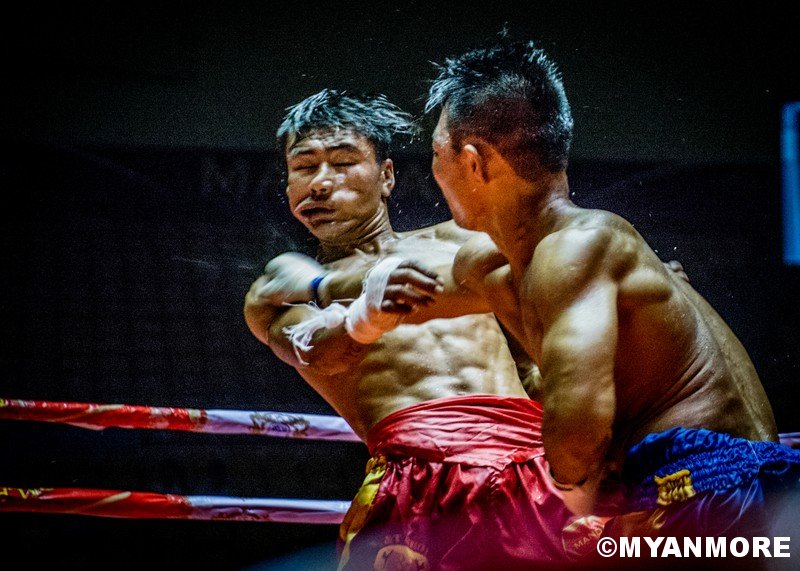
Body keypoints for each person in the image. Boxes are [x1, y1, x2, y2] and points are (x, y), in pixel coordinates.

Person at [424, 37, 800, 541]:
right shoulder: (539, 259)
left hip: (699, 491)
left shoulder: (574, 248)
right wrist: (334, 298)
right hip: (740, 492)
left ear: (473, 162)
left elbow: (578, 440)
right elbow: (407, 288)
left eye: (435, 152)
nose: (433, 172)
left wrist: (564, 512)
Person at [243, 89, 587, 570]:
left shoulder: (465, 243)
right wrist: (365, 317)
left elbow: (536, 353)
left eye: (343, 163)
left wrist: (631, 290)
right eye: (303, 168)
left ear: (386, 176)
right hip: (415, 477)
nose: (320, 183)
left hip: (530, 463)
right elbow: (316, 352)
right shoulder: (286, 285)